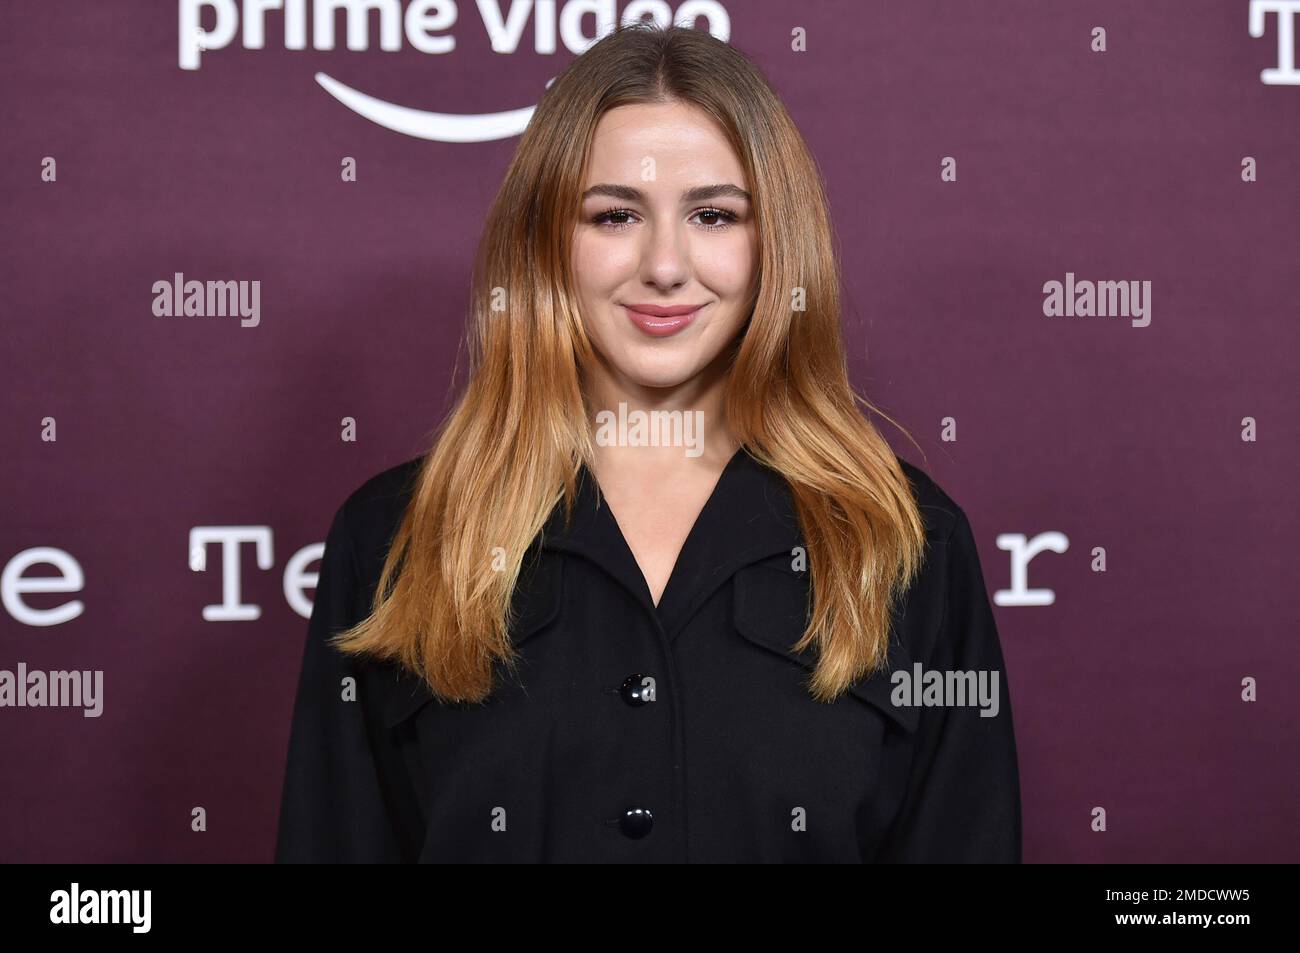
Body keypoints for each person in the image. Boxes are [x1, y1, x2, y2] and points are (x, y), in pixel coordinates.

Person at [274, 22, 1021, 863]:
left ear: (775, 243)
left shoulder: (908, 540)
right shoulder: (394, 539)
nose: (665, 265)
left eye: (712, 214)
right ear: (545, 244)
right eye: (615, 214)